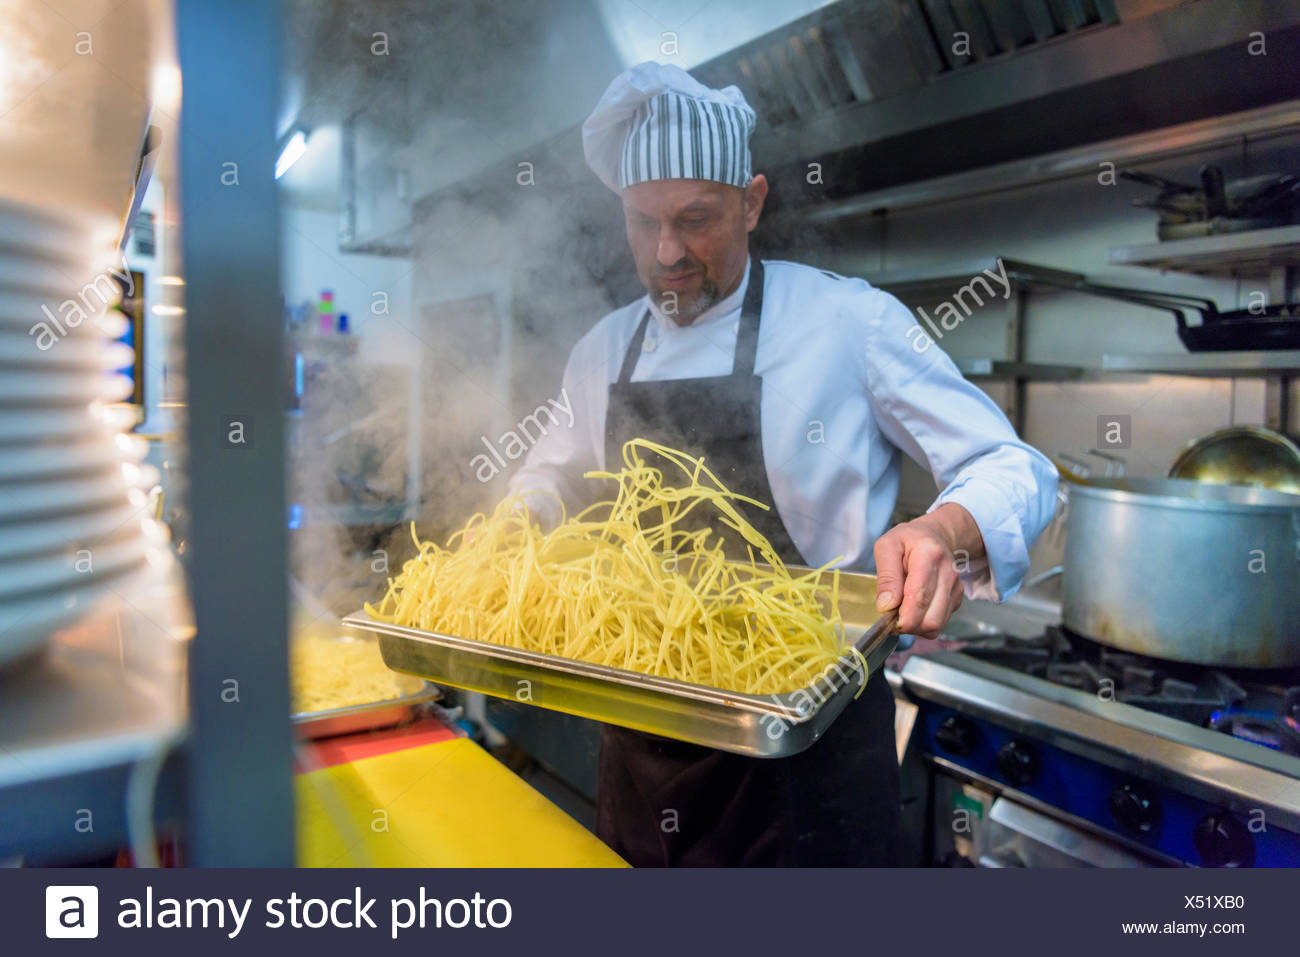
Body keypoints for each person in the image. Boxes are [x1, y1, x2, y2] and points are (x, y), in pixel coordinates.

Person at [507, 62, 1058, 866]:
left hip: (811, 762)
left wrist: (945, 525)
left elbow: (1016, 466)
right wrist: (524, 519)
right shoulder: (602, 350)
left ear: (753, 201)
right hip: (643, 750)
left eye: (695, 218)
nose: (666, 252)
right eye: (641, 221)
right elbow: (547, 472)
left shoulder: (847, 323)